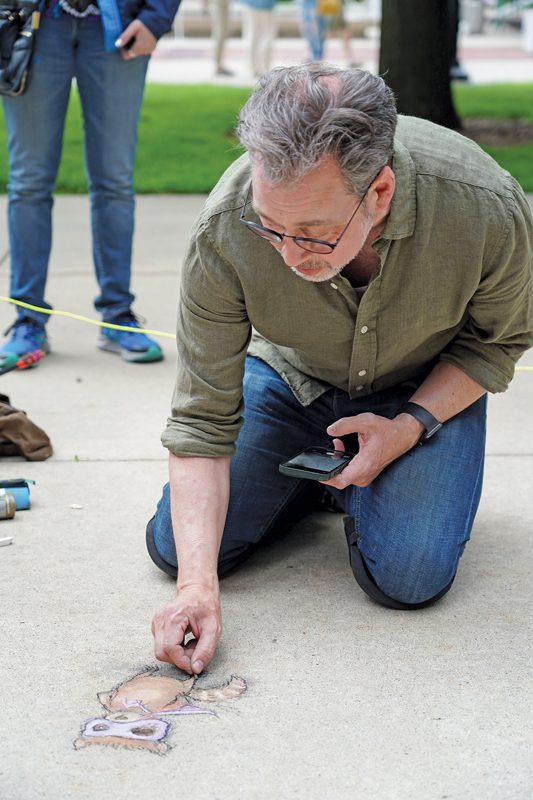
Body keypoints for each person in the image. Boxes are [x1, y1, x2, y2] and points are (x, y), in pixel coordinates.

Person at [147, 64, 533, 676]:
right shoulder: (224, 228)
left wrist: (409, 427)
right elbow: (202, 419)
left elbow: (498, 341)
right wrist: (196, 588)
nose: (290, 254)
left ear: (378, 193)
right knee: (178, 551)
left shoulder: (484, 207)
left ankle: (352, 477)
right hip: (290, 379)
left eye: (316, 235)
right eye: (270, 228)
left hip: (422, 386)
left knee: (409, 578)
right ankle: (313, 481)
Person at [0, 0, 182, 365]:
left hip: (117, 26)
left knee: (114, 182)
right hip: (31, 21)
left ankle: (117, 315)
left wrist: (155, 18)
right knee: (28, 183)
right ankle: (27, 319)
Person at [241, 0, 277, 78]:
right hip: (267, 5)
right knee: (266, 36)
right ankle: (264, 68)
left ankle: (253, 68)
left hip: (250, 4)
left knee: (251, 35)